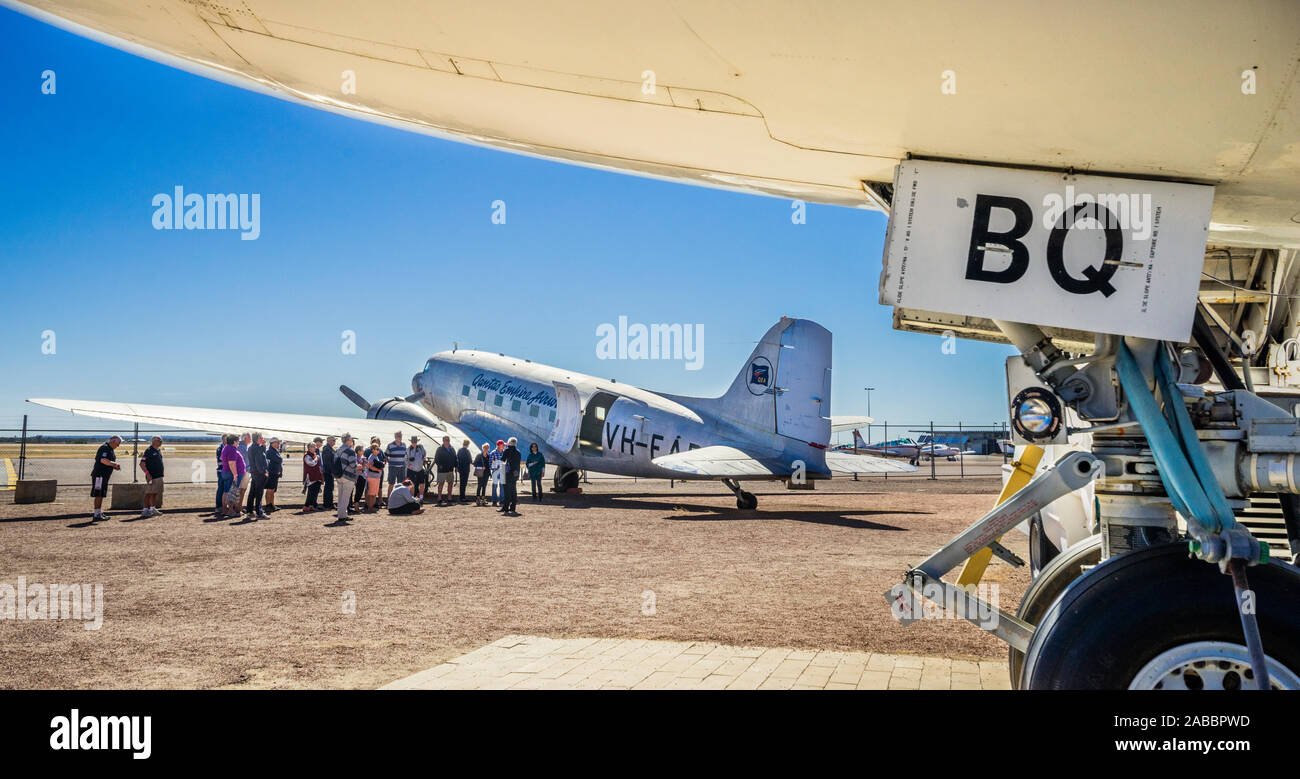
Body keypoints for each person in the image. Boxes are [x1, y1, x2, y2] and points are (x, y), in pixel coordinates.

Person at [90, 435, 122, 521]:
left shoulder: (110, 449)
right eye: (118, 443)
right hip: (99, 475)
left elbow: (107, 462)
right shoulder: (104, 448)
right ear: (113, 441)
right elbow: (103, 460)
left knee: (101, 494)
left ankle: (98, 512)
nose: (118, 446)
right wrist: (114, 464)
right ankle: (96, 514)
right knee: (98, 493)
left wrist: (114, 466)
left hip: (104, 476)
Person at [219, 434, 246, 518]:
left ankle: (225, 510)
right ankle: (230, 510)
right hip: (231, 473)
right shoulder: (232, 449)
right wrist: (235, 475)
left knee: (226, 491)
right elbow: (231, 463)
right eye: (237, 441)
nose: (238, 443)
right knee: (232, 492)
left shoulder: (226, 448)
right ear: (234, 442)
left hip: (226, 472)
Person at [140, 436, 165, 518]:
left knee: (154, 493)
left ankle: (152, 508)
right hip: (152, 476)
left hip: (158, 476)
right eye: (159, 440)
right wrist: (147, 474)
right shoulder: (149, 451)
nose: (161, 442)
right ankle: (145, 510)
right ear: (154, 441)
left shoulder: (158, 450)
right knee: (149, 492)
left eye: (161, 440)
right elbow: (142, 464)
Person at [245, 433, 269, 519]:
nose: (263, 439)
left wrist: (263, 446)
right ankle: (259, 512)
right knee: (259, 493)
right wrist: (264, 472)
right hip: (259, 474)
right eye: (261, 437)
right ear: (257, 439)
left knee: (252, 492)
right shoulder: (257, 448)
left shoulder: (252, 447)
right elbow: (259, 461)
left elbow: (261, 455)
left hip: (254, 472)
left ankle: (250, 511)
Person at [336, 434, 357, 522]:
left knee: (340, 496)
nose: (352, 440)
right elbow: (353, 464)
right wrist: (361, 465)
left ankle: (341, 513)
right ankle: (342, 515)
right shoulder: (350, 451)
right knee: (345, 497)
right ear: (348, 440)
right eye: (351, 439)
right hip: (348, 475)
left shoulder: (338, 450)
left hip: (338, 475)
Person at [433, 435, 457, 506]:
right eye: (446, 440)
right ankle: (439, 498)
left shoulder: (452, 449)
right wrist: (440, 466)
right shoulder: (439, 449)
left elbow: (455, 458)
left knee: (450, 483)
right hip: (442, 470)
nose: (447, 441)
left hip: (450, 469)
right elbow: (436, 459)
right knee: (441, 483)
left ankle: (449, 497)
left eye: (448, 440)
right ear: (443, 441)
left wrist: (456, 466)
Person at [501, 437, 522, 515]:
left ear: (509, 443)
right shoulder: (518, 452)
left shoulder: (507, 450)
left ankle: (505, 508)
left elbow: (503, 460)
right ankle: (513, 508)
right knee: (513, 491)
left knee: (507, 491)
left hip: (507, 473)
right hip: (515, 474)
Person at [364, 438, 385, 512]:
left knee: (373, 493)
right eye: (377, 449)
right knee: (371, 493)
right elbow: (370, 466)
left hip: (375, 477)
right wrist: (378, 470)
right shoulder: (372, 457)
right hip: (372, 476)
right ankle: (370, 507)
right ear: (373, 450)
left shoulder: (375, 456)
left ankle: (371, 506)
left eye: (378, 449)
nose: (378, 450)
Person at [386, 432, 408, 499]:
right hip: (393, 467)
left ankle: (399, 500)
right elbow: (386, 456)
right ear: (395, 436)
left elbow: (406, 455)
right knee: (391, 484)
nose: (399, 437)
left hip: (402, 467)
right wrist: (390, 462)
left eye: (400, 436)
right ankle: (389, 500)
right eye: (398, 435)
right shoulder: (390, 445)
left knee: (401, 485)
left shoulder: (404, 445)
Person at [302, 442, 323, 512]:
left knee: (315, 492)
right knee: (311, 492)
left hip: (317, 475)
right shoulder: (307, 455)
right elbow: (311, 463)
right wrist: (317, 458)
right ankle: (306, 506)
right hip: (310, 476)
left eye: (314, 446)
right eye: (311, 446)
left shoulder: (314, 455)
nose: (313, 448)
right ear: (308, 447)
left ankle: (312, 505)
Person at [264, 438, 283, 512]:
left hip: (274, 473)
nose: (278, 444)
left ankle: (272, 504)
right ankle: (268, 505)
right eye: (277, 443)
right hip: (271, 473)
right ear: (272, 443)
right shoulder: (271, 451)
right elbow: (279, 460)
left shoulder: (274, 451)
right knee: (270, 489)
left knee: (272, 490)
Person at [406, 435, 427, 500]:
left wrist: (424, 459)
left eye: (415, 442)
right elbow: (406, 460)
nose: (414, 443)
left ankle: (421, 498)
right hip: (411, 470)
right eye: (413, 442)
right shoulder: (408, 449)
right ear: (411, 442)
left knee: (422, 484)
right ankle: (411, 498)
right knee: (411, 484)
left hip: (420, 469)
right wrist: (410, 465)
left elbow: (424, 455)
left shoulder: (421, 447)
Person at [215, 435, 231, 513]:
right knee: (221, 489)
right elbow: (220, 461)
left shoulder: (226, 447)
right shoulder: (220, 448)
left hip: (225, 470)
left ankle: (224, 505)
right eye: (226, 439)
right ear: (223, 440)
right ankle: (219, 506)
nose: (227, 440)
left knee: (226, 489)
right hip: (222, 471)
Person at [320, 436, 336, 510]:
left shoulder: (329, 449)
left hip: (329, 471)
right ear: (329, 441)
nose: (334, 442)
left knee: (330, 487)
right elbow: (328, 462)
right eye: (333, 440)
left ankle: (329, 503)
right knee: (328, 487)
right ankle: (327, 504)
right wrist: (332, 471)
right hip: (328, 471)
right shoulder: (327, 449)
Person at [489, 439, 505, 506]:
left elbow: (506, 462)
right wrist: (495, 466)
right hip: (495, 471)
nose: (503, 446)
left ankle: (501, 500)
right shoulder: (493, 452)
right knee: (495, 486)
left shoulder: (504, 452)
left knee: (502, 486)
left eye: (503, 445)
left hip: (502, 471)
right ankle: (494, 500)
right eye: (502, 445)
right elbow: (490, 463)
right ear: (498, 445)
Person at [352, 444, 367, 510]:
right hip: (359, 477)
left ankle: (356, 506)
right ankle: (356, 506)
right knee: (358, 491)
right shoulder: (357, 458)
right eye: (362, 450)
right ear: (358, 451)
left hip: (362, 476)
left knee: (360, 491)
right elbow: (360, 467)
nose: (363, 451)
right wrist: (364, 463)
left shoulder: (361, 458)